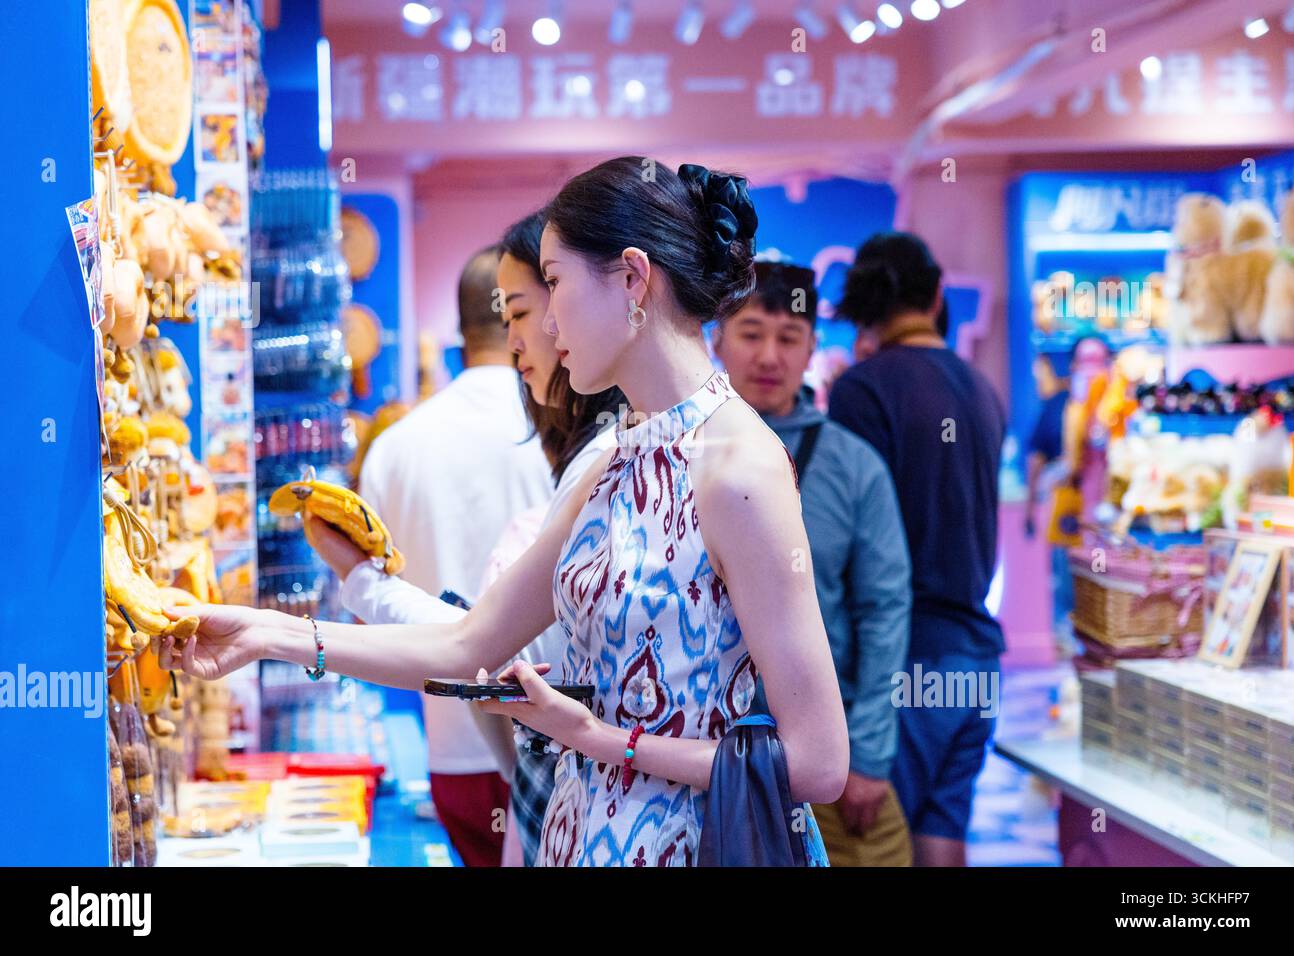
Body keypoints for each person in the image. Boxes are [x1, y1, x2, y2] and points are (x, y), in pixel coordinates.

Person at [164, 157, 849, 867]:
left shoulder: (740, 465)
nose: (548, 323)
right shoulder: (618, 459)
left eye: (553, 283)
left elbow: (818, 763)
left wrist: (597, 738)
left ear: (633, 279)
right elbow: (467, 646)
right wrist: (268, 632)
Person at [322, 211, 625, 866]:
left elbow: (474, 643)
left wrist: (348, 593)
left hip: (480, 740)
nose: (534, 338)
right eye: (517, 313)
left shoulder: (399, 444)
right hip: (549, 744)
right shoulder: (583, 446)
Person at [348, 245, 554, 867]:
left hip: (451, 745)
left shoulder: (396, 445)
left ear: (461, 325)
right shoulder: (558, 431)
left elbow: (370, 619)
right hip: (565, 735)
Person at [713, 260, 913, 867]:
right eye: (751, 333)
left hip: (826, 754)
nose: (769, 355)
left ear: (811, 350)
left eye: (788, 337)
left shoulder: (854, 468)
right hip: (704, 755)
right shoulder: (683, 454)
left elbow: (884, 613)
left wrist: (871, 758)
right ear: (716, 338)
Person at [828, 231, 1005, 868]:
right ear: (936, 296)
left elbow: (853, 547)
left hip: (898, 665)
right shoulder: (983, 390)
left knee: (873, 849)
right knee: (942, 833)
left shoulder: (861, 391)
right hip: (975, 656)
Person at [1023, 354, 1071, 653]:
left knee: (1061, 570)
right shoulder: (1073, 404)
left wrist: (1030, 505)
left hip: (1063, 504)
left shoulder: (1055, 407)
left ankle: (1064, 635)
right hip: (1075, 506)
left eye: (1040, 373)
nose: (1037, 380)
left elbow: (1036, 460)